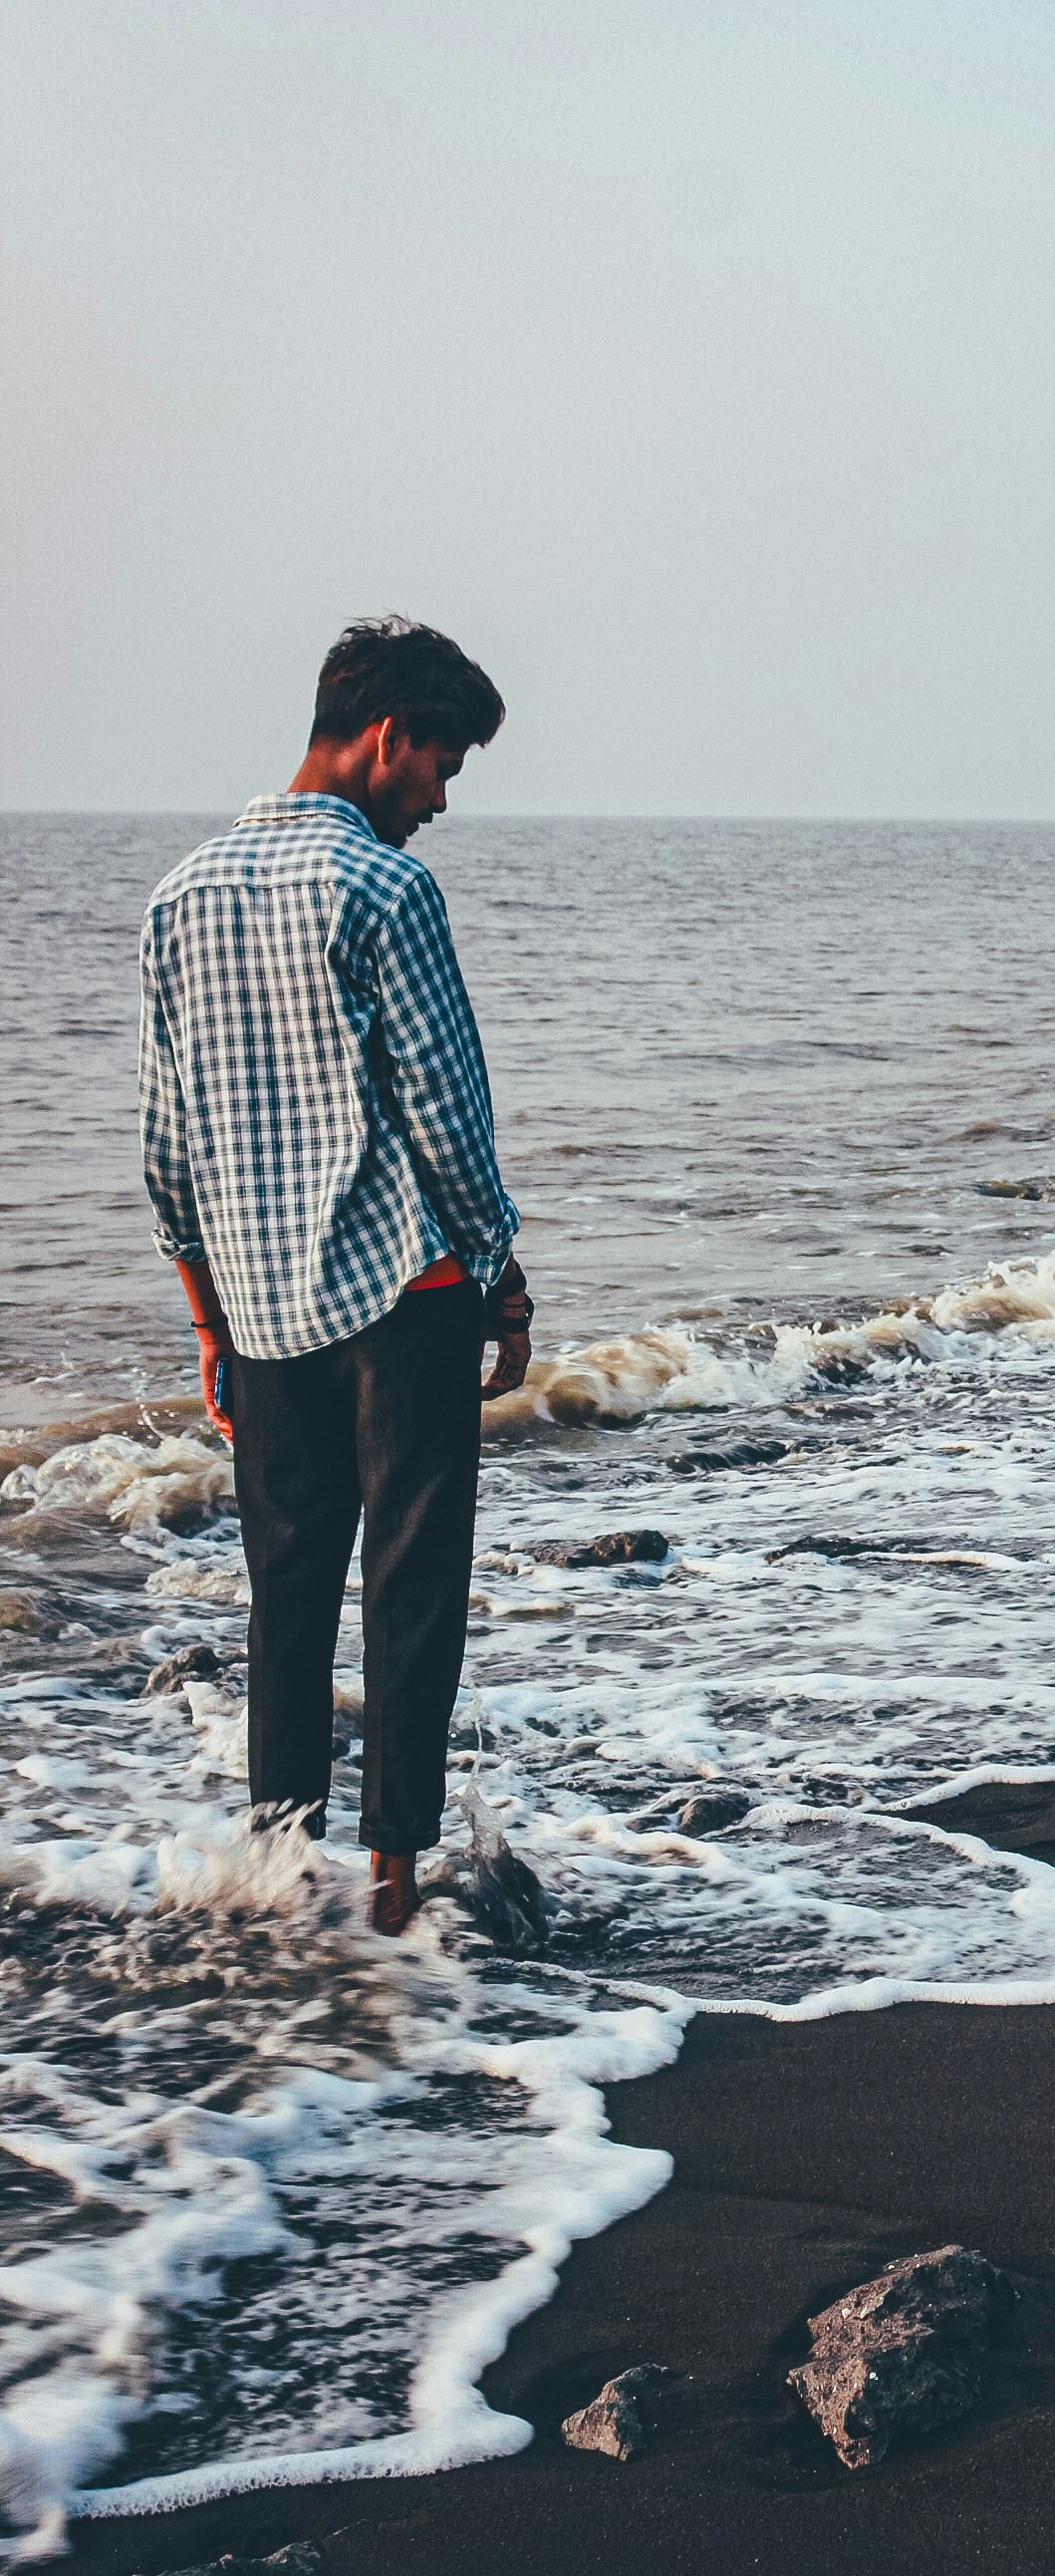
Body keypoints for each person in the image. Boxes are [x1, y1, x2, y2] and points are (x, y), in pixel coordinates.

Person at [138, 617, 533, 1934]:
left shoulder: (179, 895)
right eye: (440, 766)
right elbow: (445, 1112)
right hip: (402, 1295)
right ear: (384, 736)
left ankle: (275, 1874)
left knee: (288, 1593)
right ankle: (391, 1888)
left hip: (256, 1307)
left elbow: (166, 1144)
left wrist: (206, 1318)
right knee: (412, 1589)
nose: (437, 798)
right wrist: (502, 1276)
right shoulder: (385, 890)